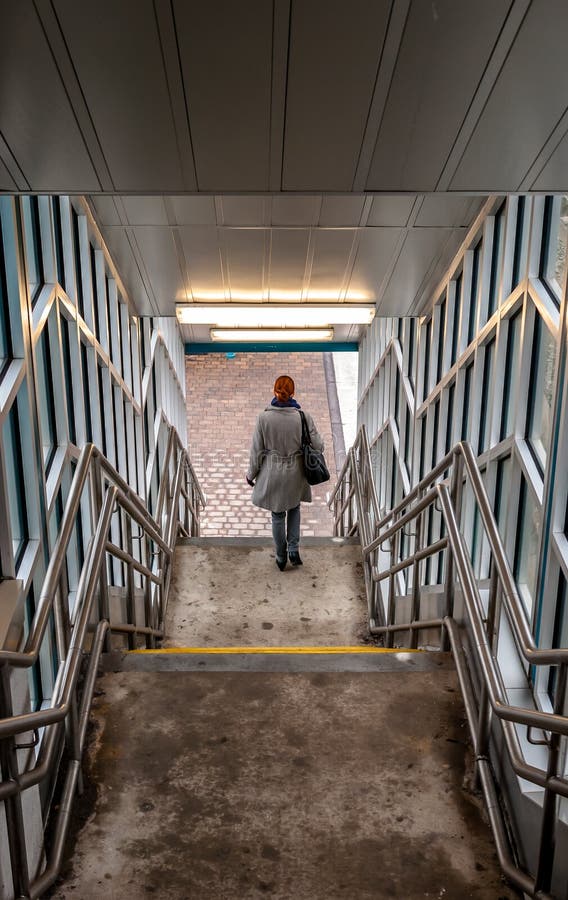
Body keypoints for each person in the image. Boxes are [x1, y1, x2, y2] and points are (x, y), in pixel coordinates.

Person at [246, 375, 324, 571]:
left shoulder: (263, 418)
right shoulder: (303, 416)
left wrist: (251, 474)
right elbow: (319, 446)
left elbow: (256, 451)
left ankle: (281, 556)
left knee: (278, 514)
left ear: (274, 391)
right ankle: (293, 549)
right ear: (293, 393)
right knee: (294, 508)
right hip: (295, 472)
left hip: (273, 472)